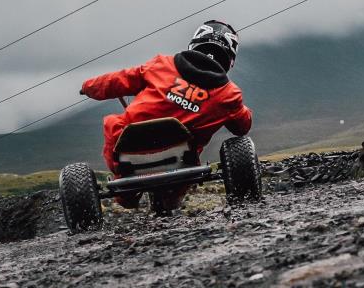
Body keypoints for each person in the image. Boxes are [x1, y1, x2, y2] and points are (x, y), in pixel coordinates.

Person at [79, 20, 252, 210]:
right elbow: (242, 127)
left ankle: (126, 194)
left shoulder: (162, 64)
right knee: (178, 187)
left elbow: (120, 80)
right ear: (230, 59)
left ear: (195, 44)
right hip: (182, 163)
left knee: (113, 124)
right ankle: (171, 202)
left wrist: (88, 87)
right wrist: (238, 110)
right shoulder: (229, 94)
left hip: (131, 150)